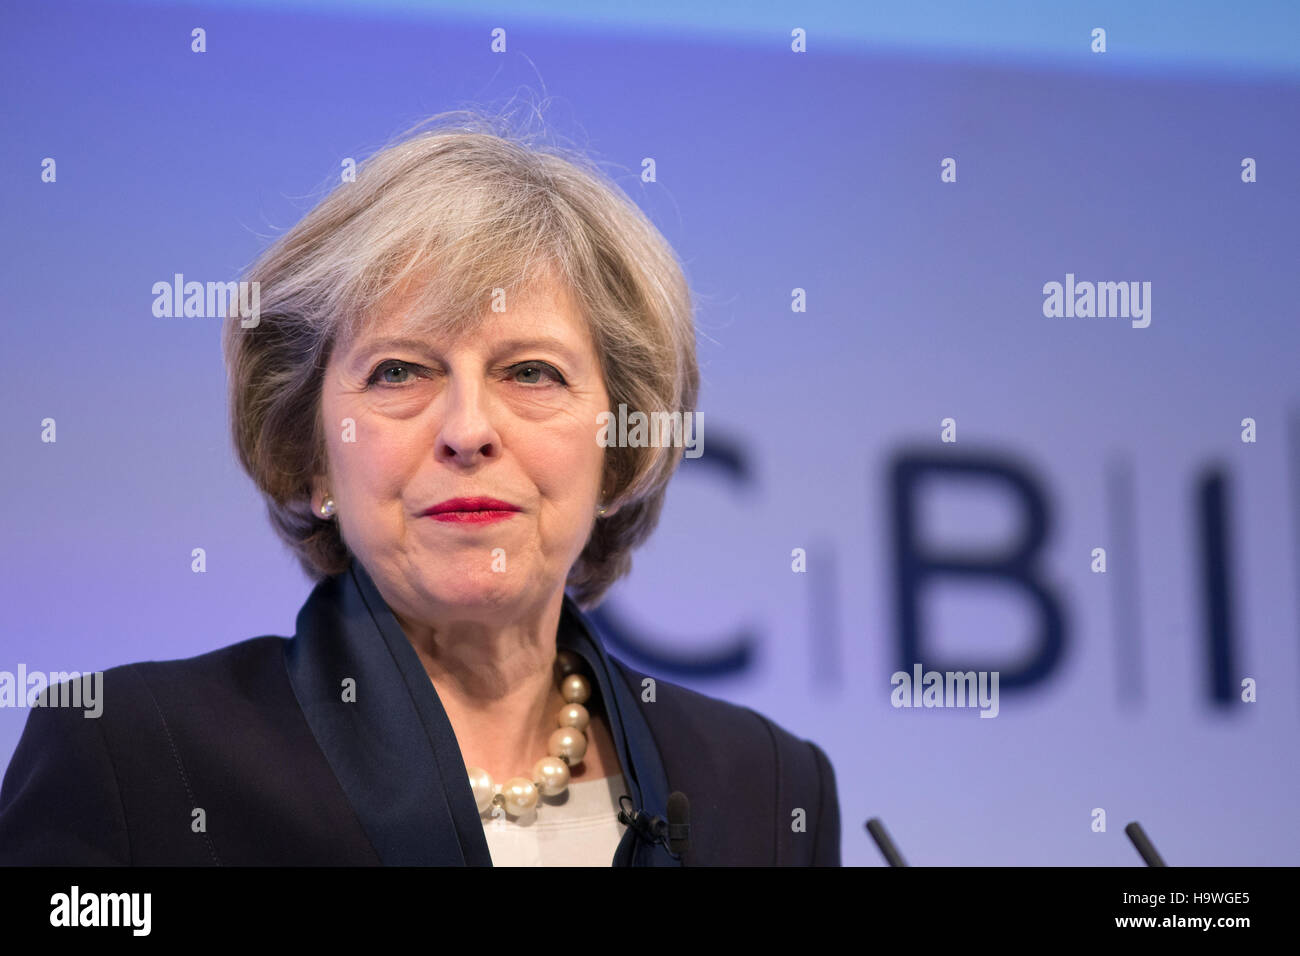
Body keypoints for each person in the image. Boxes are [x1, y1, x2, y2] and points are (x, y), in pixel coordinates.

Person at [0, 111, 841, 866]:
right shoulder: (135, 757)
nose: (468, 428)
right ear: (313, 454)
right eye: (399, 371)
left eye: (532, 372)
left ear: (619, 450)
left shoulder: (766, 792)